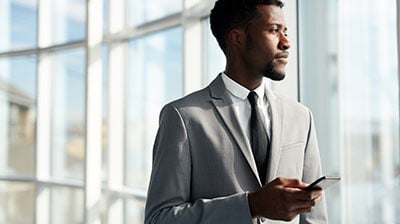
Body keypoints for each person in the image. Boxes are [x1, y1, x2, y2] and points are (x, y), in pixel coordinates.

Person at [145, 0, 328, 223]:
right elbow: (159, 218)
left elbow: (315, 218)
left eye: (286, 31)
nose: (286, 42)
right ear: (237, 38)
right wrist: (252, 205)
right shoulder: (183, 116)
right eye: (274, 30)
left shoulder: (301, 116)